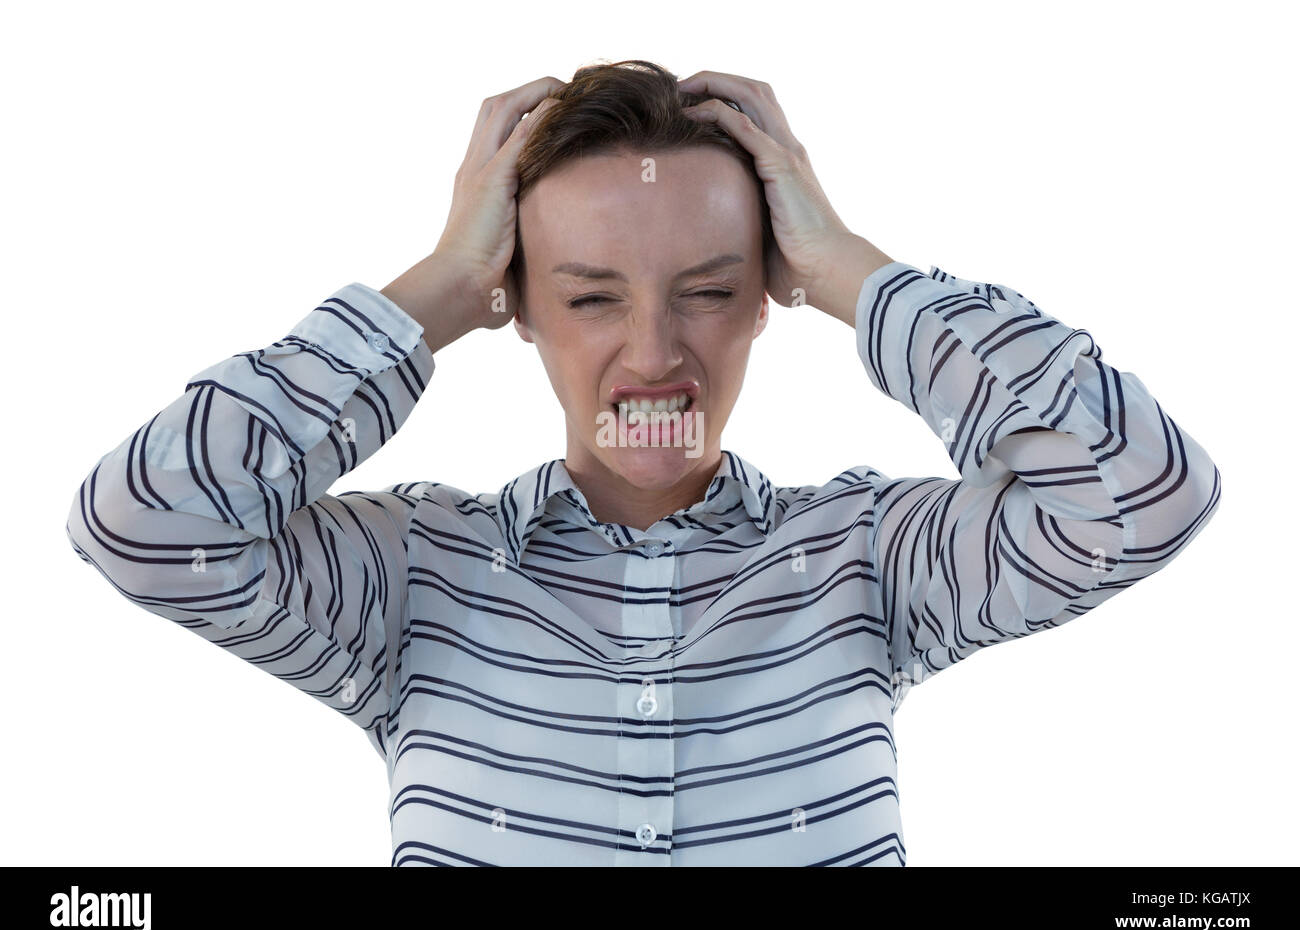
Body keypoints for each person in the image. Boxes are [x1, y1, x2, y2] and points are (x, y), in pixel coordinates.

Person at [65, 60, 1223, 866]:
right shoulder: (409, 578)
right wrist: (431, 290)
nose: (655, 354)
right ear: (513, 301)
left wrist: (852, 270)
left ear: (771, 297)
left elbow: (1141, 491)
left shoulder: (868, 559)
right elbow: (145, 520)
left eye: (710, 291)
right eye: (590, 296)